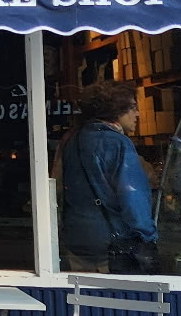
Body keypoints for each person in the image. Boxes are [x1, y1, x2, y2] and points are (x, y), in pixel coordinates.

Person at [57, 81, 158, 273]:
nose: (137, 114)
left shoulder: (73, 140)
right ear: (116, 110)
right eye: (133, 108)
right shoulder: (118, 143)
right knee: (114, 299)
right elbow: (132, 197)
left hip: (77, 240)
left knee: (83, 296)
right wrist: (147, 237)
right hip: (111, 244)